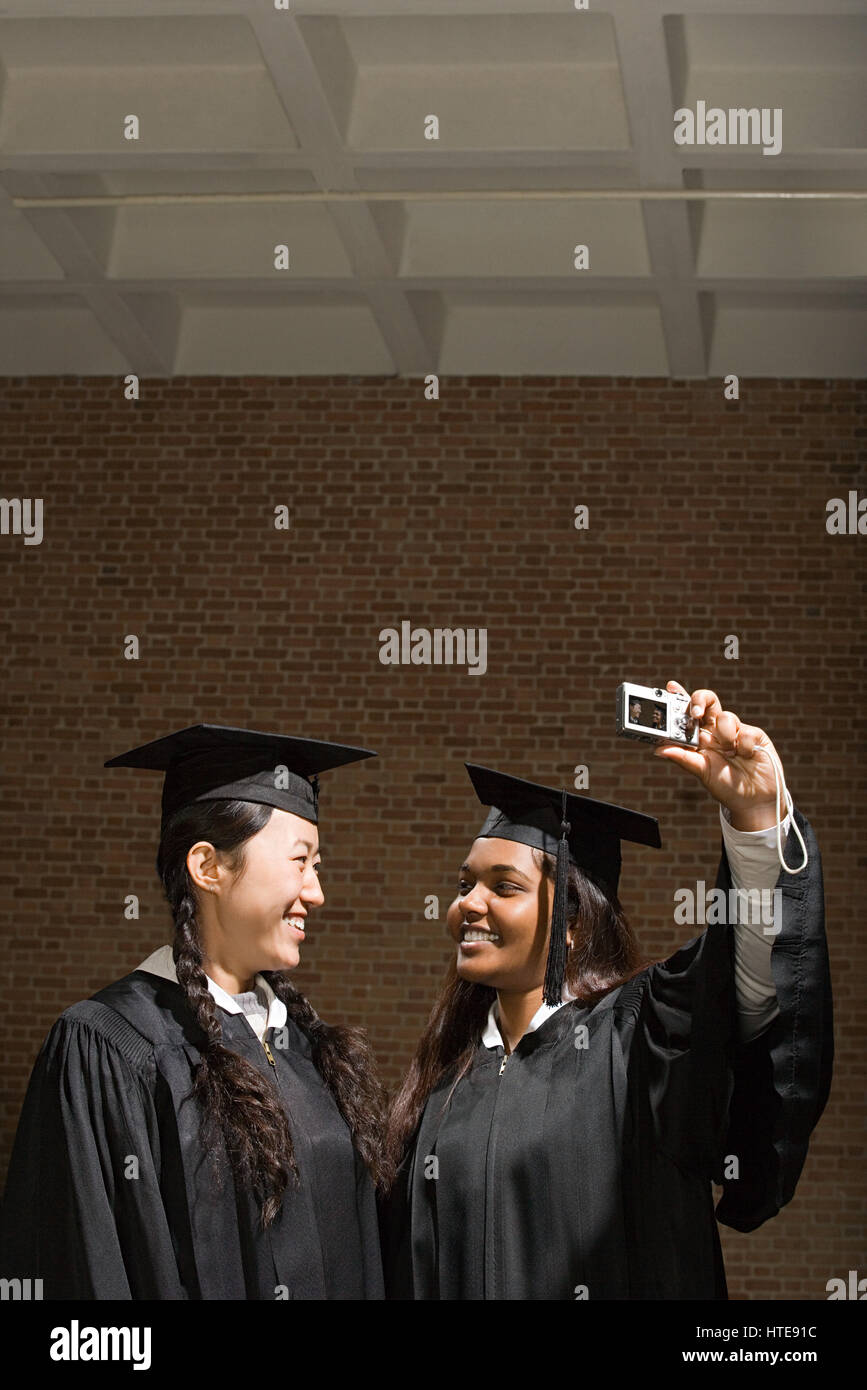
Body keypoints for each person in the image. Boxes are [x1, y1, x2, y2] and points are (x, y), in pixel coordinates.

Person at [381, 682, 833, 1300]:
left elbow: (751, 978)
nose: (467, 905)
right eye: (464, 884)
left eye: (502, 887)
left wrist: (757, 819)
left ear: (569, 917)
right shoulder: (444, 1080)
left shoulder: (641, 1038)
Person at [0, 723, 389, 1299]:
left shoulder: (310, 1052)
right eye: (300, 861)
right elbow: (83, 1273)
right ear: (207, 867)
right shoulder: (109, 1046)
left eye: (318, 866)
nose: (317, 891)